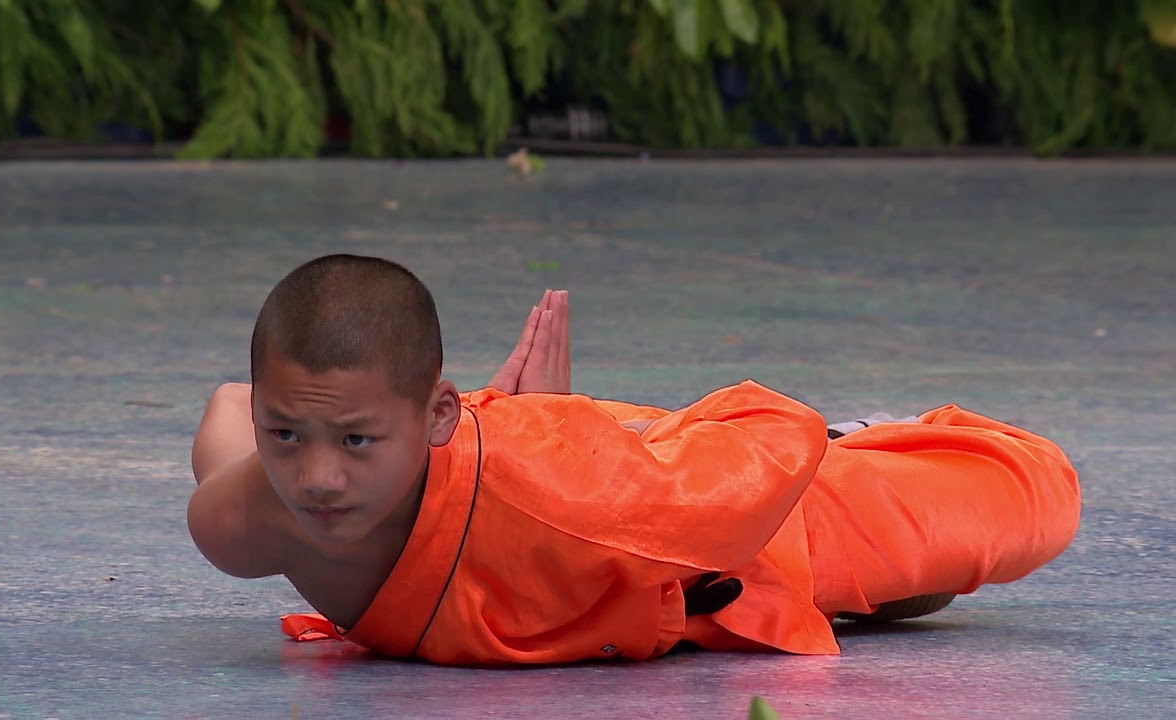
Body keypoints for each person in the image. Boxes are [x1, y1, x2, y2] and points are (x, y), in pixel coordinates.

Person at [187, 254, 1081, 666]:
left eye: (355, 441)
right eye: (287, 437)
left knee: (1033, 497)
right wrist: (512, 421)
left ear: (436, 415)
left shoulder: (568, 491)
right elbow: (229, 407)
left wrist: (554, 436)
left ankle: (872, 437)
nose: (318, 481)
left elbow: (775, 428)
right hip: (556, 473)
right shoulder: (243, 519)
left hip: (756, 539)